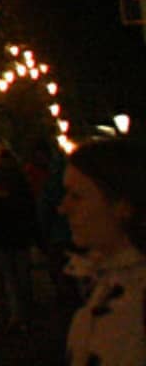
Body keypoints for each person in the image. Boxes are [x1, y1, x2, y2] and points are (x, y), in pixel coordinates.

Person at [60, 137, 146, 366]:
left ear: (122, 206)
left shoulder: (135, 302)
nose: (63, 208)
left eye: (76, 196)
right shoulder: (103, 283)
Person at [0, 143, 39, 332]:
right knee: (22, 275)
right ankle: (26, 313)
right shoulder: (21, 185)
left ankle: (16, 314)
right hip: (19, 235)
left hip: (1, 236)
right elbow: (30, 210)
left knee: (10, 277)